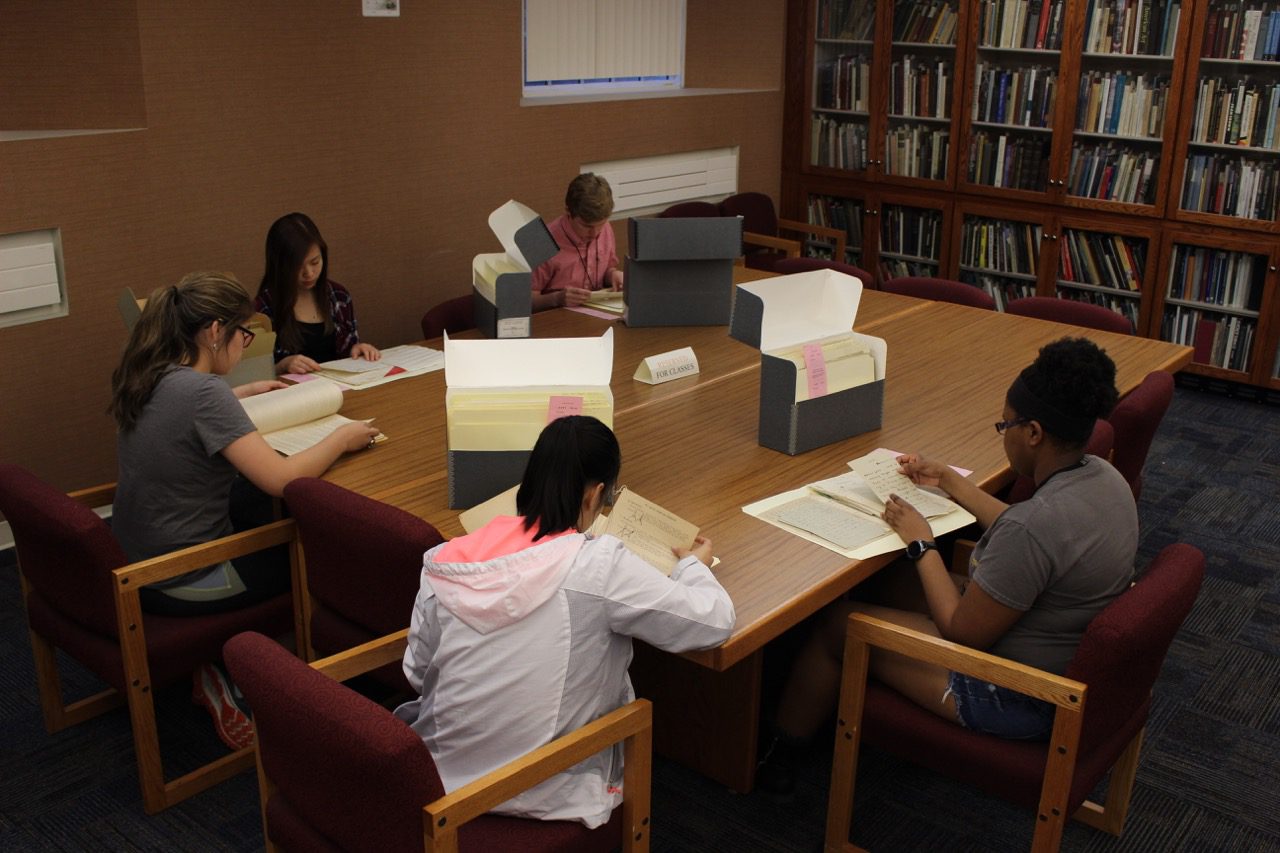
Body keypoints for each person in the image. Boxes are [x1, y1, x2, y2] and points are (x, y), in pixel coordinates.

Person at [757, 337, 1137, 792]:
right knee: (887, 583)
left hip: (1017, 693)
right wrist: (952, 483)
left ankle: (779, 759)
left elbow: (961, 630)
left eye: (1005, 426)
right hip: (1049, 646)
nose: (1004, 435)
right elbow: (1030, 534)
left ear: (1033, 433)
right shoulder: (1103, 477)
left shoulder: (1034, 528)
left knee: (839, 622)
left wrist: (922, 542)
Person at [395, 415, 735, 828]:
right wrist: (693, 569)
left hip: (438, 780)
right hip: (544, 786)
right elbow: (713, 622)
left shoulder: (446, 561)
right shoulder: (596, 566)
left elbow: (416, 673)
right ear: (594, 496)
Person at [110, 271, 380, 749]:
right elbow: (281, 478)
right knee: (321, 555)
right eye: (244, 334)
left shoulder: (149, 372)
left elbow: (180, 418)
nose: (245, 346)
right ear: (216, 332)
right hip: (186, 578)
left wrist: (239, 396)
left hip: (138, 556)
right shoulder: (202, 393)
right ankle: (243, 674)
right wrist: (342, 438)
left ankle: (239, 656)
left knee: (257, 502)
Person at [255, 212, 380, 374]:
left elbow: (347, 350)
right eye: (297, 266)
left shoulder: (338, 296)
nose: (309, 273)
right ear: (280, 266)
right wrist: (283, 365)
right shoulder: (263, 308)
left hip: (340, 388)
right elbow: (255, 373)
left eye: (315, 262)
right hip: (295, 394)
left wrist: (357, 350)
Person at [531, 173, 625, 311]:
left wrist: (612, 275)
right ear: (568, 212)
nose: (595, 234)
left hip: (597, 312)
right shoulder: (543, 242)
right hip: (557, 318)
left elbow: (607, 270)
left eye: (601, 224)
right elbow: (524, 302)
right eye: (586, 226)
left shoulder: (605, 229)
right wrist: (557, 299)